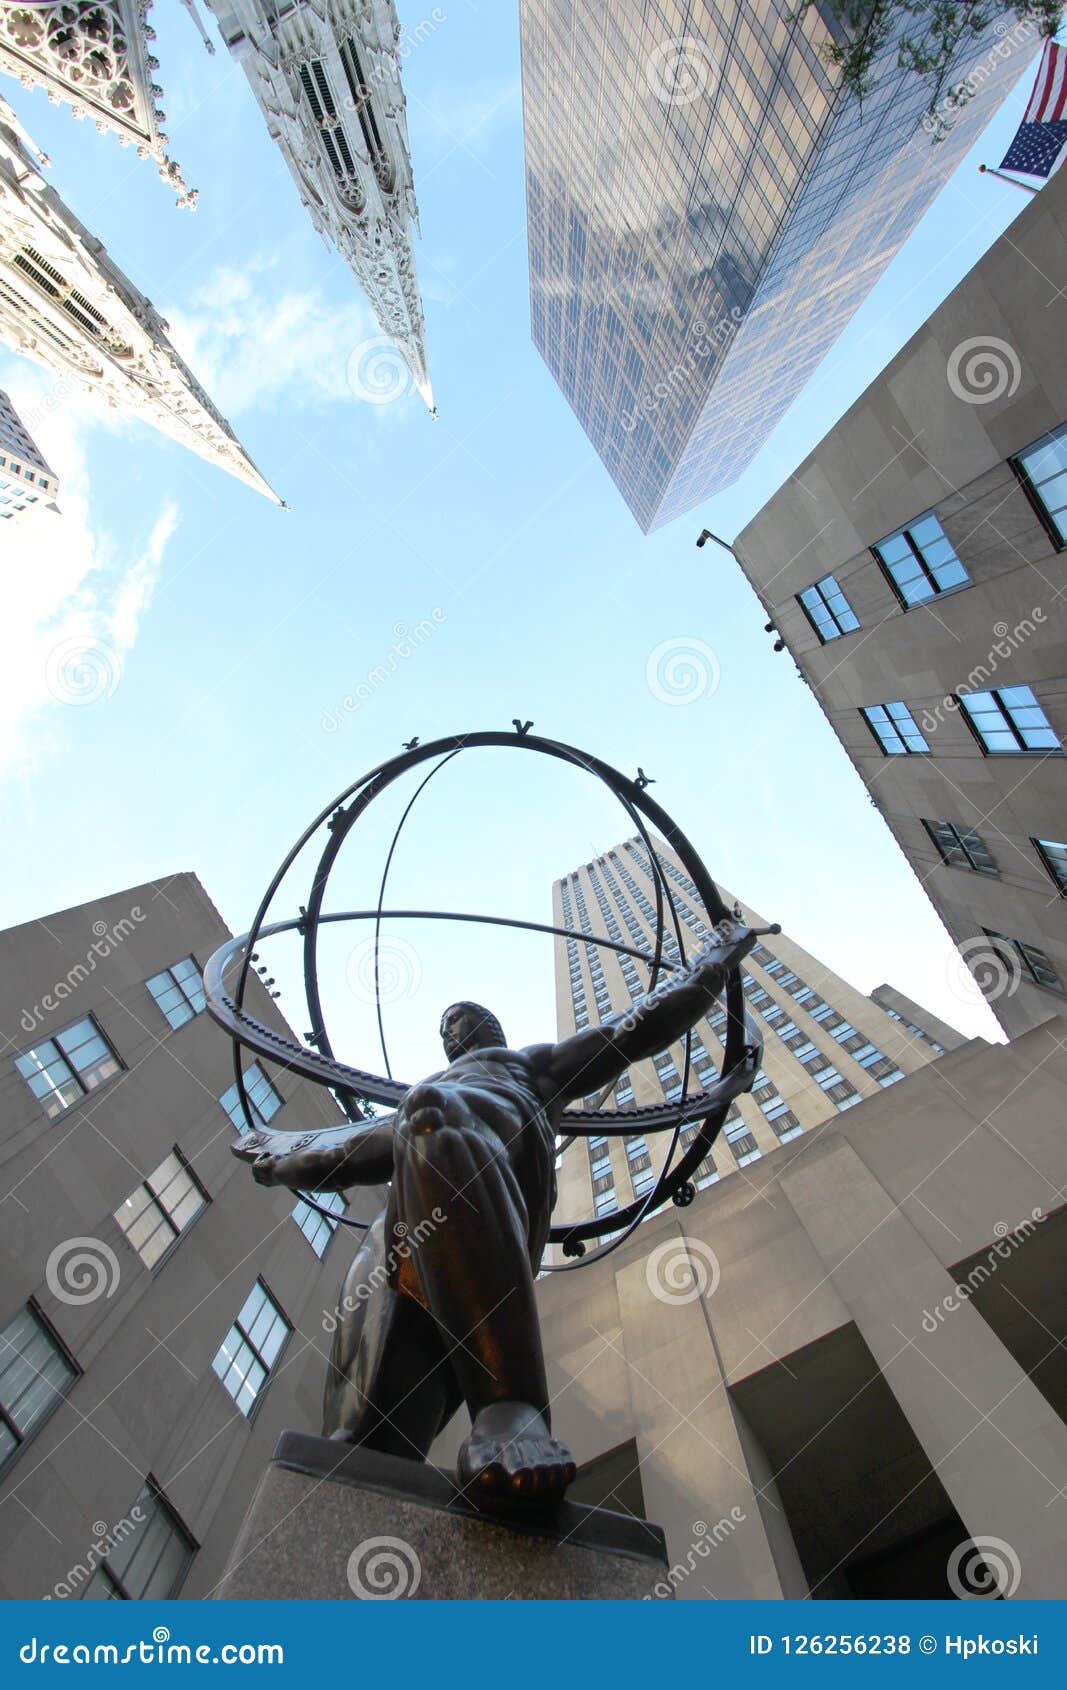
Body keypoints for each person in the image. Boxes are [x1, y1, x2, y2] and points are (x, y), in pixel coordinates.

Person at [235, 918, 755, 1508]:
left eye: (464, 1018)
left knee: (432, 1120)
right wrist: (279, 1154)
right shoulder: (427, 1096)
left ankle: (511, 1406)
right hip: (407, 1237)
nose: (452, 1028)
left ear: (495, 1030)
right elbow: (350, 1152)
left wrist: (714, 962)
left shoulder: (535, 1068)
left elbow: (633, 1030)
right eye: (445, 1028)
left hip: (487, 1212)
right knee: (362, 1452)